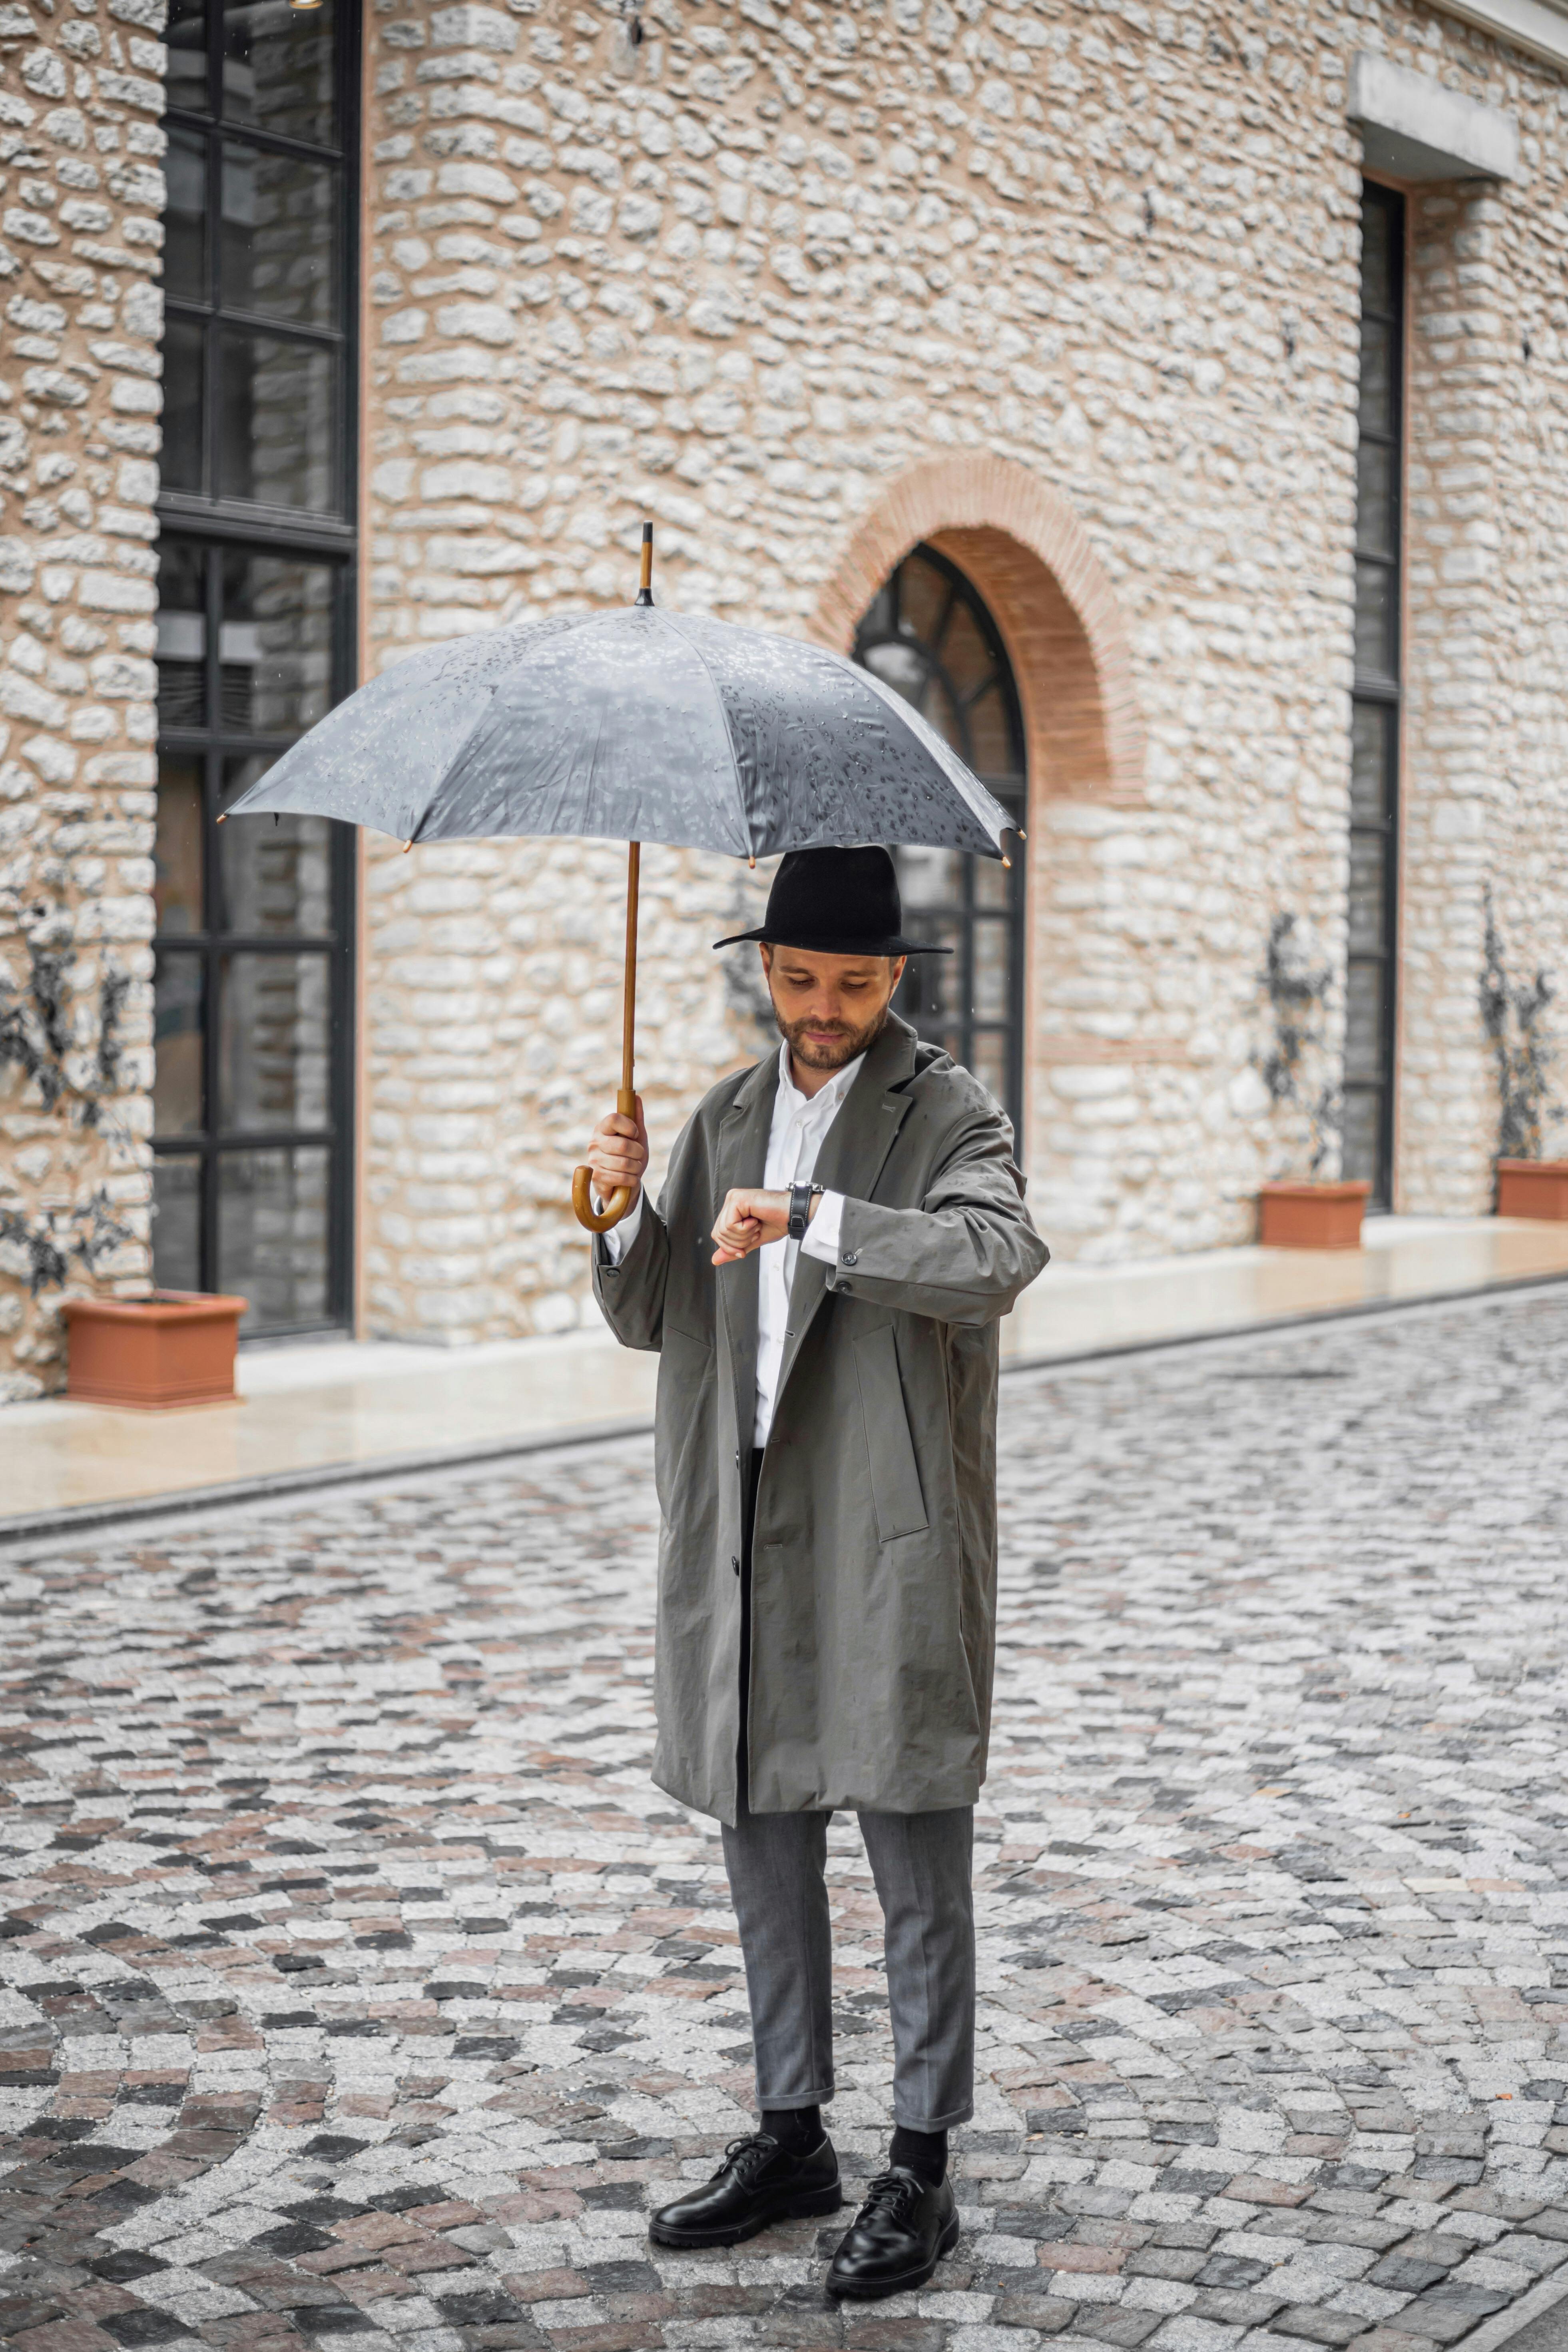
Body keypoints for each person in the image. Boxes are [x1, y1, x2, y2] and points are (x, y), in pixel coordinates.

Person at [584, 843, 1048, 2302]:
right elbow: (658, 1316)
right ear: (765, 973)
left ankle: (919, 2164)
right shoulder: (722, 1114)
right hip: (741, 1525)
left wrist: (812, 1219)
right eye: (798, 980)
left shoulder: (949, 1110)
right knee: (759, 1829)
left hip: (883, 1526)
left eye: (852, 983)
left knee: (916, 1845)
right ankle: (792, 2134)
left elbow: (993, 1256)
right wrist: (615, 1215)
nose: (823, 1007)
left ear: (894, 977)